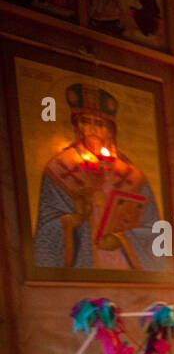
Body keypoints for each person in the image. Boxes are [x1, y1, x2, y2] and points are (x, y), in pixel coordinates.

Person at [34, 83, 162, 271]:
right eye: (86, 121)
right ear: (77, 124)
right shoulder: (59, 168)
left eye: (99, 124)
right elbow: (45, 231)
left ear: (111, 130)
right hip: (82, 264)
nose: (92, 129)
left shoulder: (132, 176)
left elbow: (155, 230)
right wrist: (75, 219)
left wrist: (121, 239)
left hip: (125, 268)